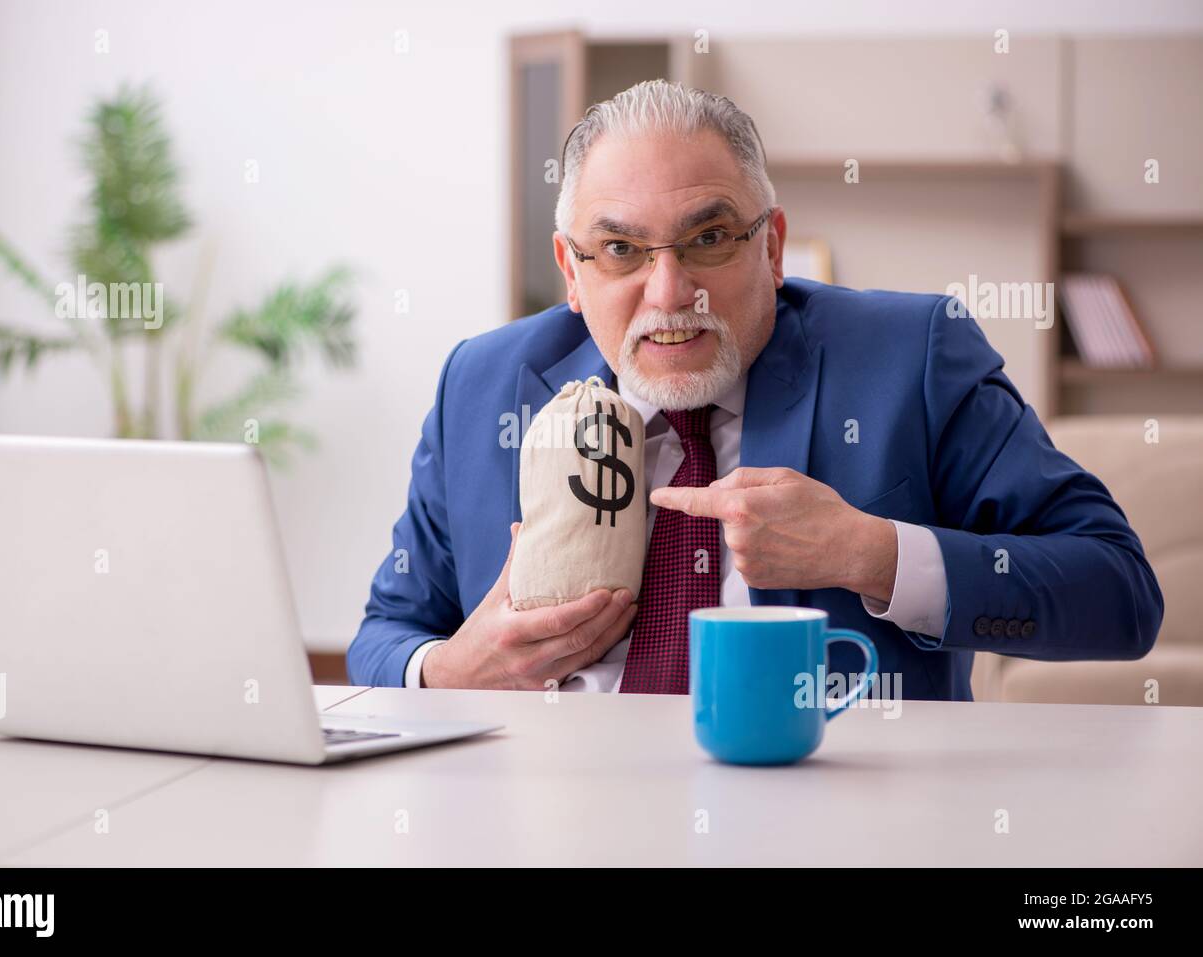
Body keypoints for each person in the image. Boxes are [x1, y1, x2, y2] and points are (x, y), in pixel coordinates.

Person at [348, 79, 1161, 698]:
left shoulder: (912, 357)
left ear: (772, 248)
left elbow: (1118, 593)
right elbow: (386, 632)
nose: (668, 293)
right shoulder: (481, 386)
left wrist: (872, 553)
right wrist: (453, 667)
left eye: (707, 238)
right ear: (572, 269)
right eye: (622, 249)